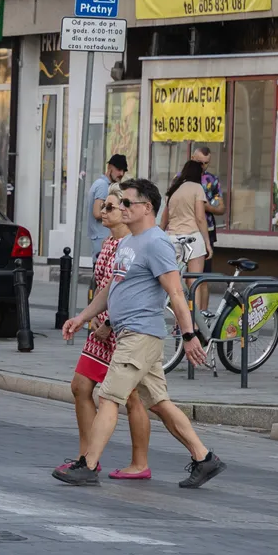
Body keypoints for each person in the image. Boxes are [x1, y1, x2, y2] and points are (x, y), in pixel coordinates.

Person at [57, 178, 227, 489]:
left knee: (109, 396)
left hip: (140, 335)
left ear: (146, 208)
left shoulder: (156, 242)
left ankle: (87, 464)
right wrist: (85, 318)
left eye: (126, 203)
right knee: (159, 403)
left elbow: (176, 292)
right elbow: (113, 289)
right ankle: (205, 458)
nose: (120, 208)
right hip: (127, 333)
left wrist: (190, 336)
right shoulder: (129, 242)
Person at [59, 185, 152, 479]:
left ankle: (140, 463)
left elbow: (128, 288)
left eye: (111, 207)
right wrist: (90, 318)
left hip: (121, 330)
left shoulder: (133, 245)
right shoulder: (110, 244)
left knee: (132, 398)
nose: (104, 212)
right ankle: (86, 456)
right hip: (100, 328)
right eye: (106, 206)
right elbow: (103, 287)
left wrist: (109, 322)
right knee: (80, 386)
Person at [160, 160, 212, 289]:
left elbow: (164, 220)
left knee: (173, 282)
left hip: (172, 239)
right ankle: (195, 309)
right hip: (192, 238)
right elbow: (200, 218)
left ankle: (176, 308)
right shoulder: (197, 188)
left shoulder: (173, 189)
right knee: (194, 282)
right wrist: (207, 242)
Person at [192, 147, 224, 309]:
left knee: (203, 277)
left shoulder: (212, 180)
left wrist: (204, 206)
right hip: (187, 231)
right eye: (199, 163)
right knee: (186, 277)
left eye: (206, 163)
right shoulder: (181, 178)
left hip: (207, 231)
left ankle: (203, 314)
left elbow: (221, 208)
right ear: (192, 158)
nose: (203, 166)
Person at [88, 154, 128, 259]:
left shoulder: (103, 184)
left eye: (123, 171)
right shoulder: (103, 185)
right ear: (109, 167)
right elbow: (97, 213)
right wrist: (116, 212)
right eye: (119, 169)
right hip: (102, 239)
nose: (121, 173)